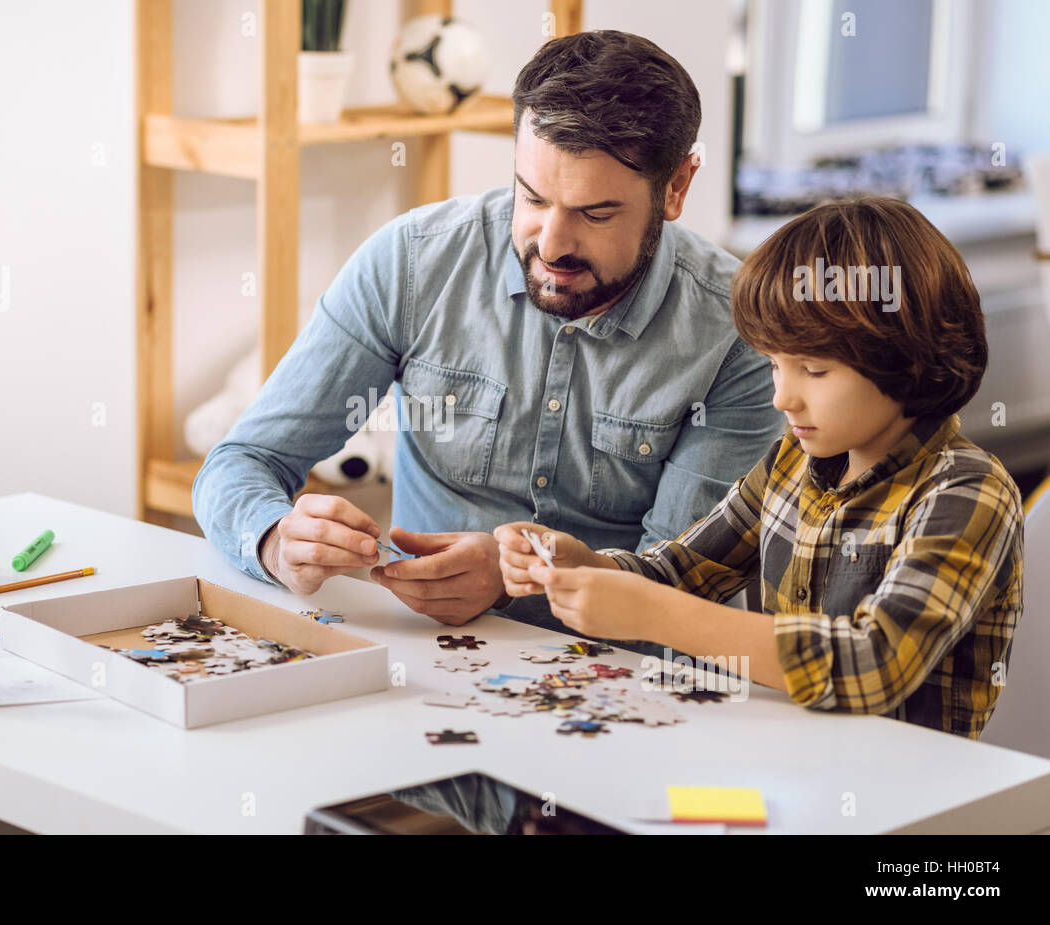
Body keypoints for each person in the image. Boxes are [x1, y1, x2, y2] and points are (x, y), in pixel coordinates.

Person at [193, 31, 784, 643]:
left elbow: (680, 585)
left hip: (628, 680)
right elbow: (241, 463)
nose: (550, 245)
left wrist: (515, 577)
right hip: (422, 662)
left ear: (677, 188)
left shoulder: (739, 331)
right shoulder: (413, 263)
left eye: (595, 214)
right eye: (531, 196)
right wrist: (274, 539)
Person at [496, 197, 1023, 738]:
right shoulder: (791, 462)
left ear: (906, 356)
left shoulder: (965, 491)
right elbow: (681, 572)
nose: (782, 397)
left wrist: (656, 614)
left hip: (910, 801)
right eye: (774, 365)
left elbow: (874, 664)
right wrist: (588, 567)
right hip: (786, 765)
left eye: (813, 370)